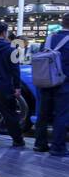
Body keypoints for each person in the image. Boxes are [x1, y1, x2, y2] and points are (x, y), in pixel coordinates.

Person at [33, 13, 69, 156]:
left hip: (44, 81)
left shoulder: (48, 38)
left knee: (43, 114)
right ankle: (57, 148)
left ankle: (39, 144)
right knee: (61, 115)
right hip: (64, 83)